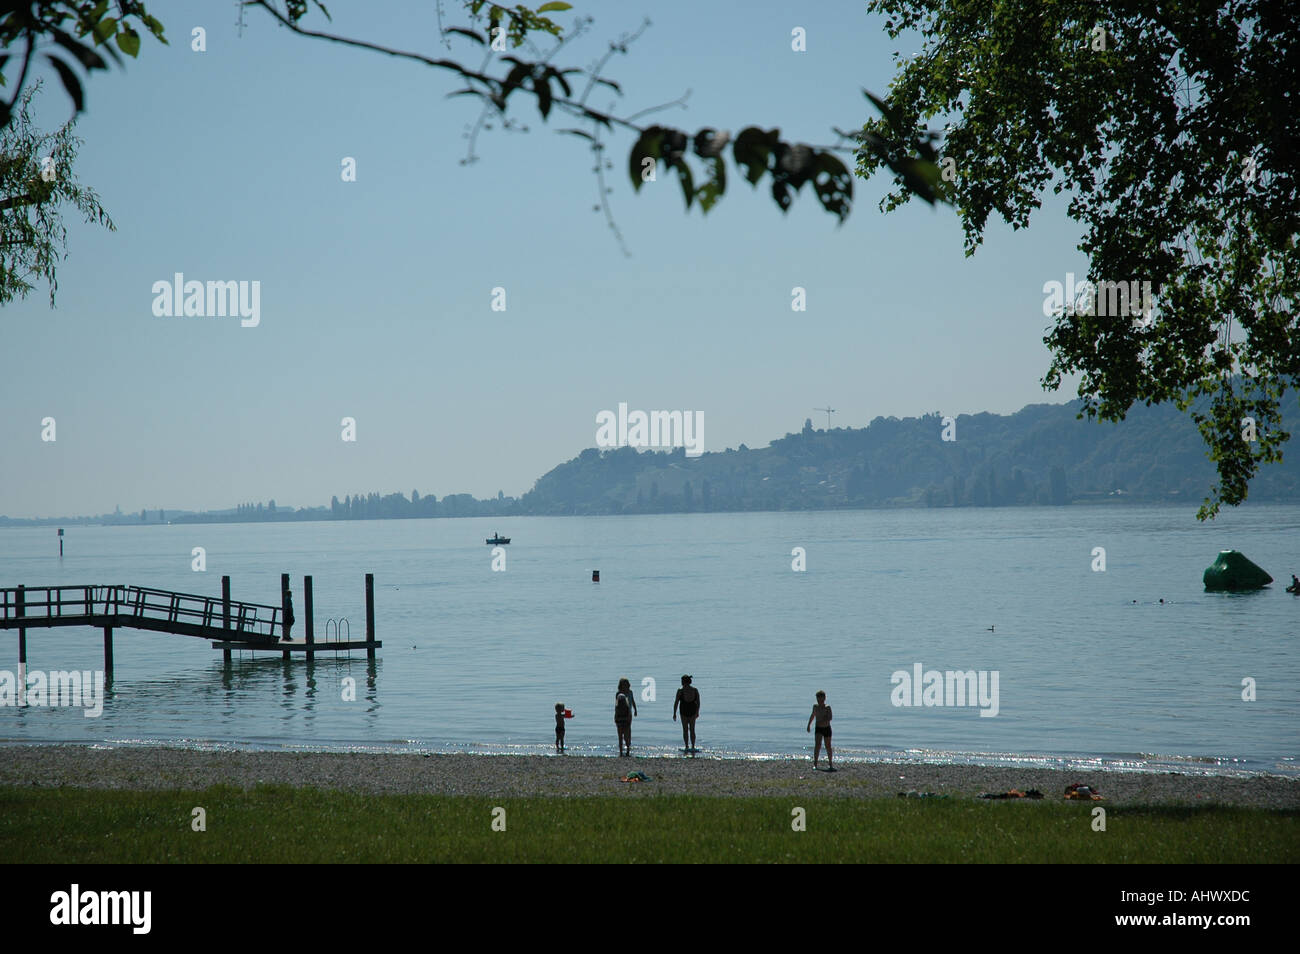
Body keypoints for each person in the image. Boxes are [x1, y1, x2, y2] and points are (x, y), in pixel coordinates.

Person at [806, 690, 835, 771]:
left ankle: (830, 764)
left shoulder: (827, 707)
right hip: (818, 728)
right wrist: (809, 725)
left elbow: (830, 717)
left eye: (821, 699)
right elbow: (813, 715)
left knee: (828, 746)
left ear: (824, 698)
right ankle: (815, 764)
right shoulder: (815, 707)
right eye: (818, 699)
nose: (819, 701)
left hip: (826, 728)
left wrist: (823, 721)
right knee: (817, 745)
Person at [673, 675, 701, 751]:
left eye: (682, 681)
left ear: (684, 682)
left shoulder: (680, 690)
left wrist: (674, 713)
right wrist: (697, 712)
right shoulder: (695, 690)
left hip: (684, 711)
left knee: (685, 730)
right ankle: (692, 746)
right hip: (692, 711)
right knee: (692, 729)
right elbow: (698, 702)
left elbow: (676, 702)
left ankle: (687, 746)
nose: (681, 682)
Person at [614, 677, 638, 756]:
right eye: (625, 684)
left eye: (627, 684)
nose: (626, 686)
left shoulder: (630, 692)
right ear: (621, 685)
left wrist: (635, 710)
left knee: (627, 732)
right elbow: (616, 705)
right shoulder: (619, 694)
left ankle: (628, 749)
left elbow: (633, 701)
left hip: (628, 714)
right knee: (620, 734)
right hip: (620, 714)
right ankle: (621, 752)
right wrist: (616, 715)